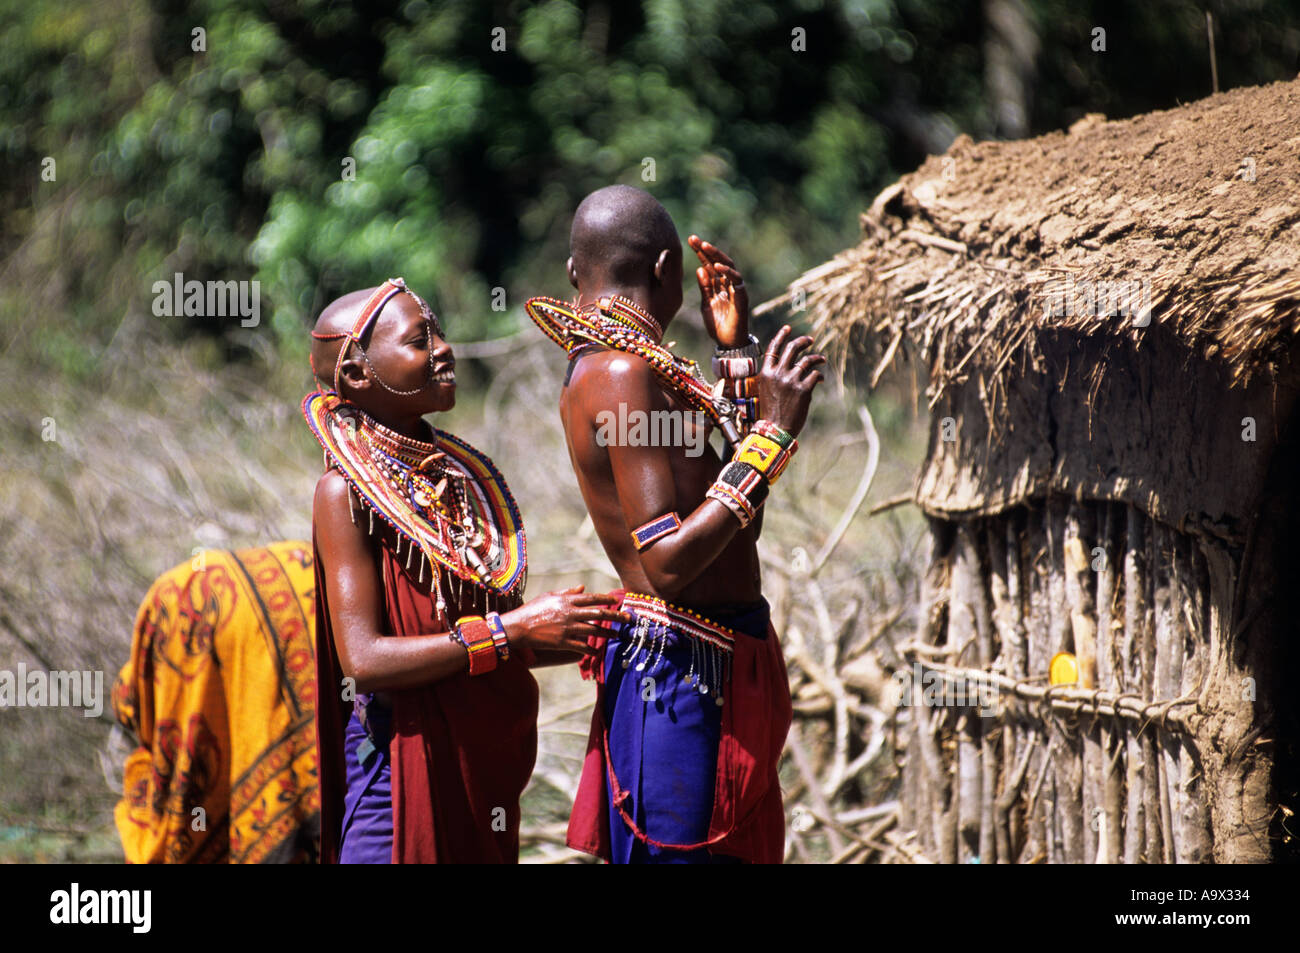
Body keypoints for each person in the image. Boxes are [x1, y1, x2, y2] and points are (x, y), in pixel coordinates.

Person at [525, 185, 825, 863]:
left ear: (575, 274)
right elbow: (667, 562)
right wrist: (771, 438)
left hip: (714, 673)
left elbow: (735, 525)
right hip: (680, 686)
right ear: (666, 270)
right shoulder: (621, 373)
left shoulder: (639, 371)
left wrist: (739, 356)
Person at [305, 277, 630, 863]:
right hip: (397, 765)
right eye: (418, 340)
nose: (444, 348)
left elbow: (498, 644)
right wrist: (516, 630)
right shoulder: (342, 494)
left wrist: (603, 625)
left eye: (440, 333)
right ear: (356, 375)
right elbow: (365, 660)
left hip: (479, 767)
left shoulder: (456, 482)